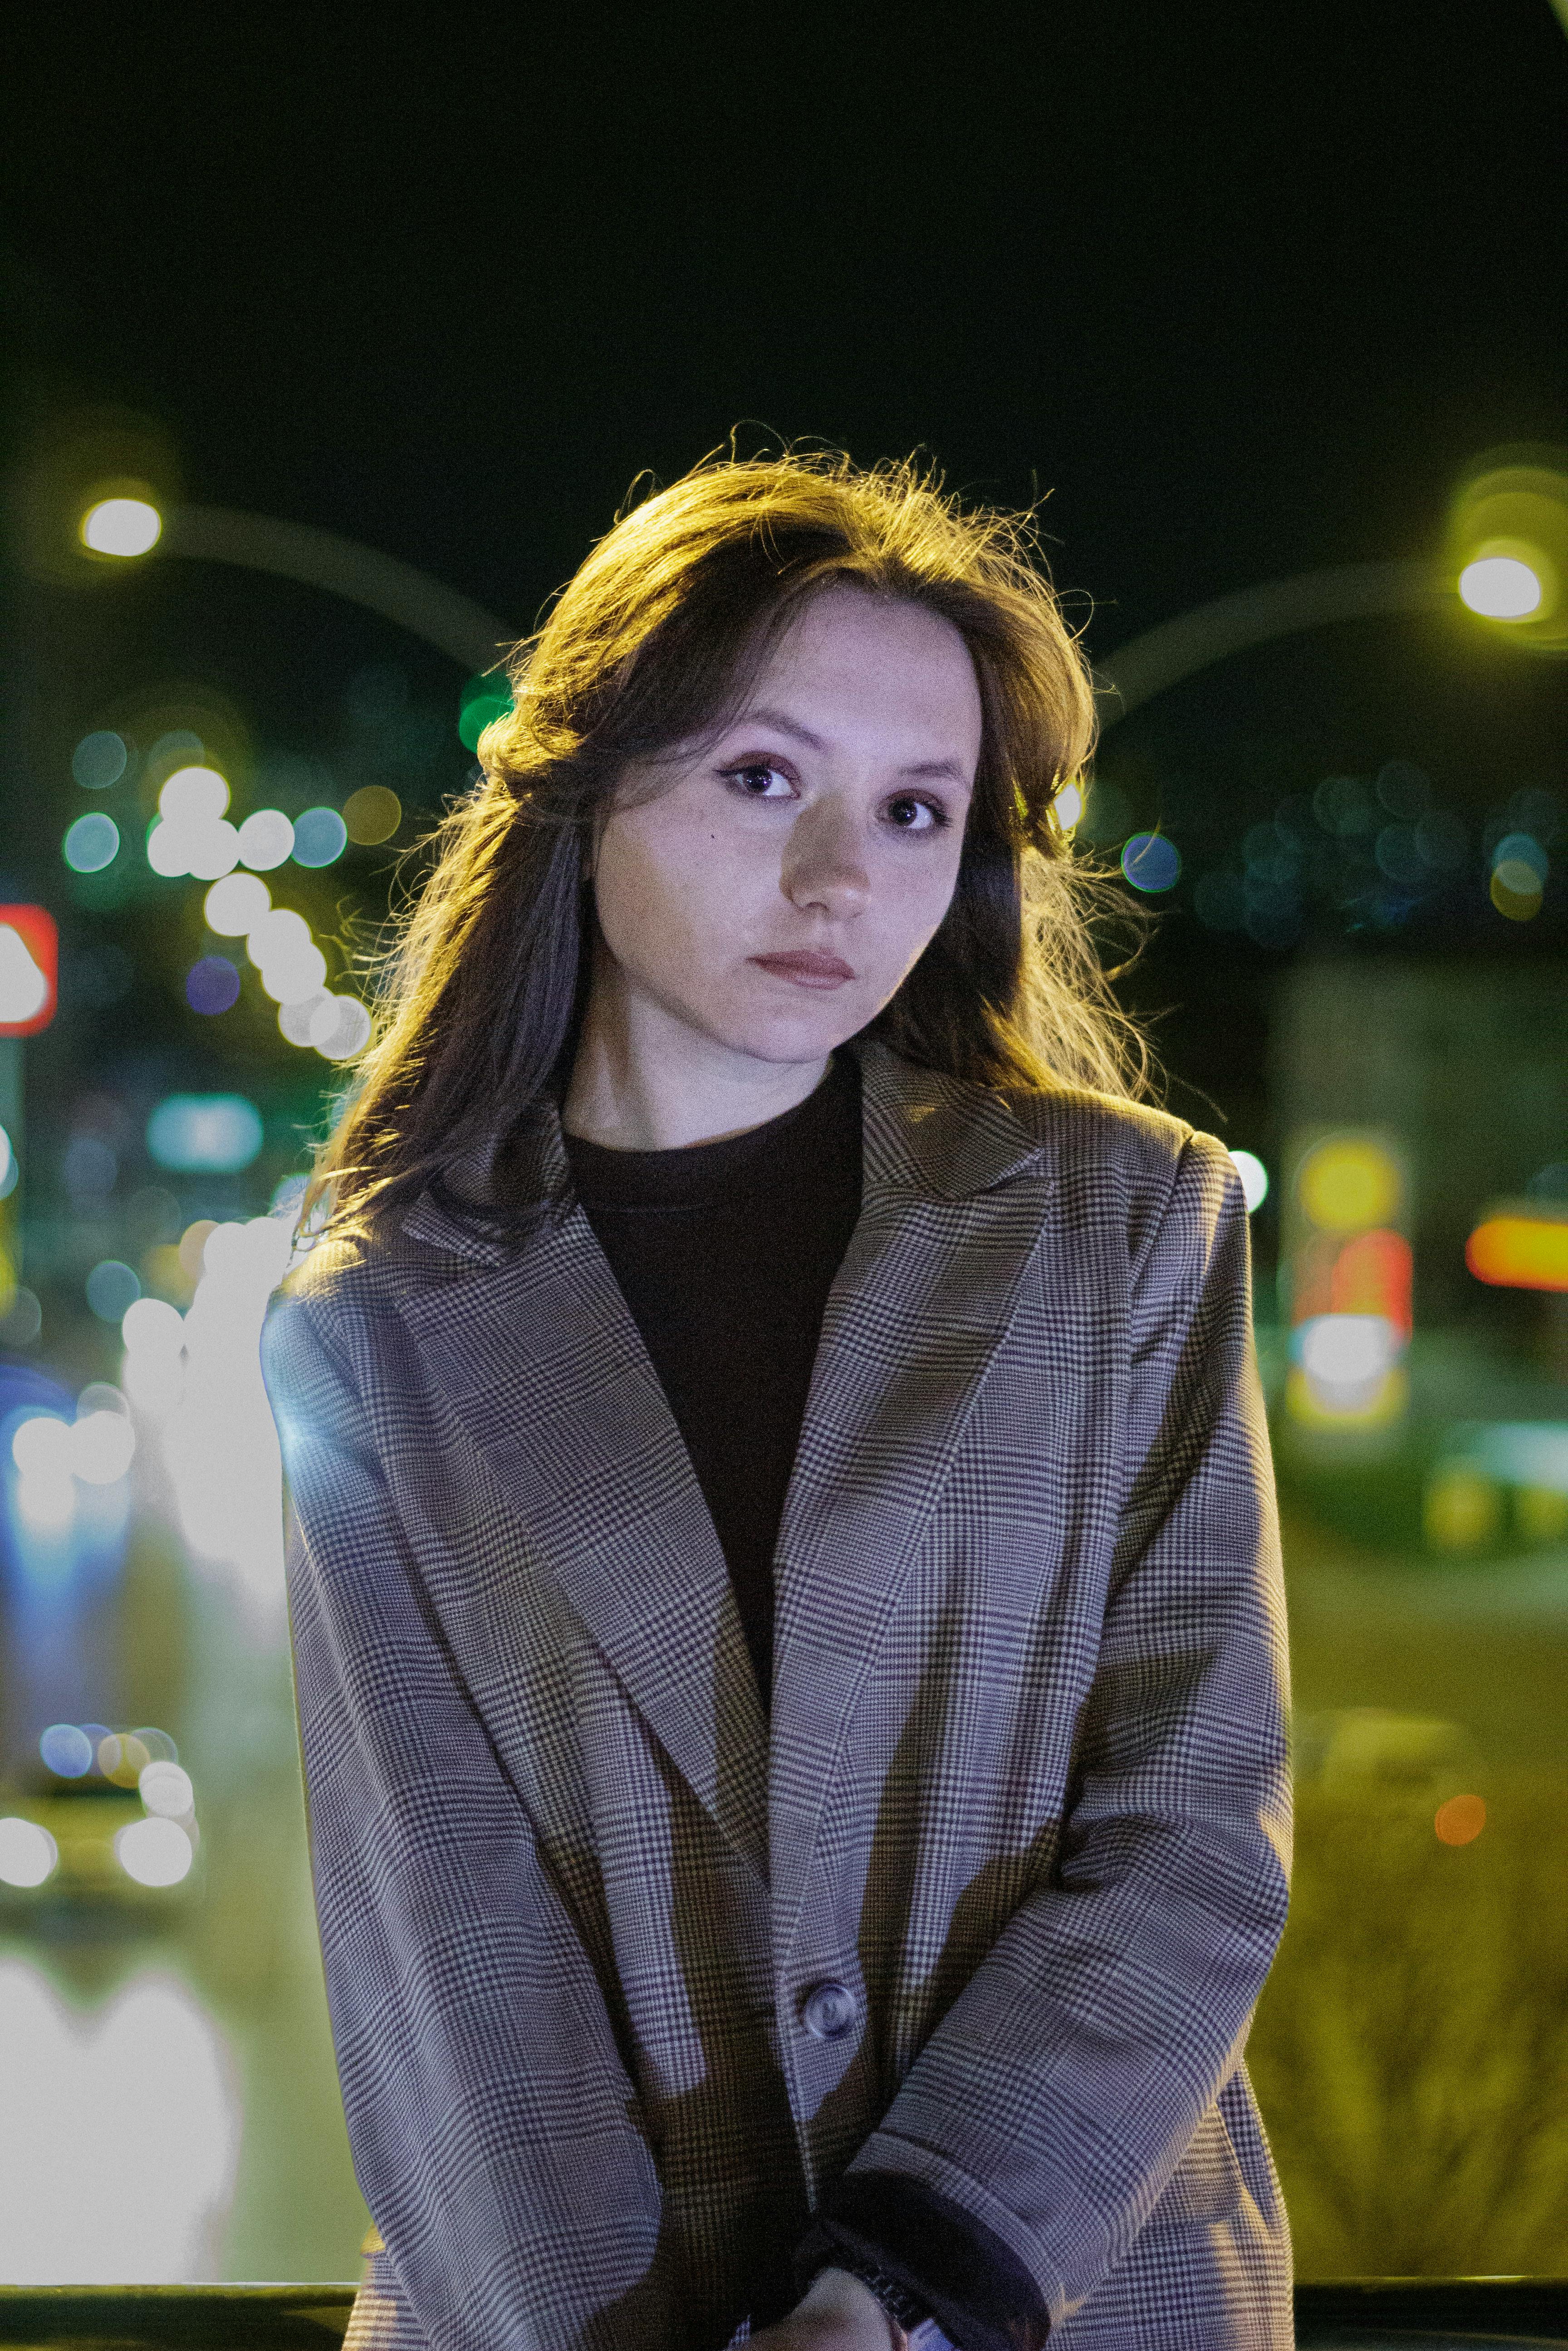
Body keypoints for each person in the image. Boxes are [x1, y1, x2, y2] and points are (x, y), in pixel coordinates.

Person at [262, 450, 1292, 2351]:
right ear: (583, 786)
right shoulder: (380, 1329)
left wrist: (901, 2284)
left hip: (1068, 2288)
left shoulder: (1124, 1230)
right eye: (764, 778)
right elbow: (452, 1956)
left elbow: (1190, 1832)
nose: (843, 879)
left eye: (917, 810)